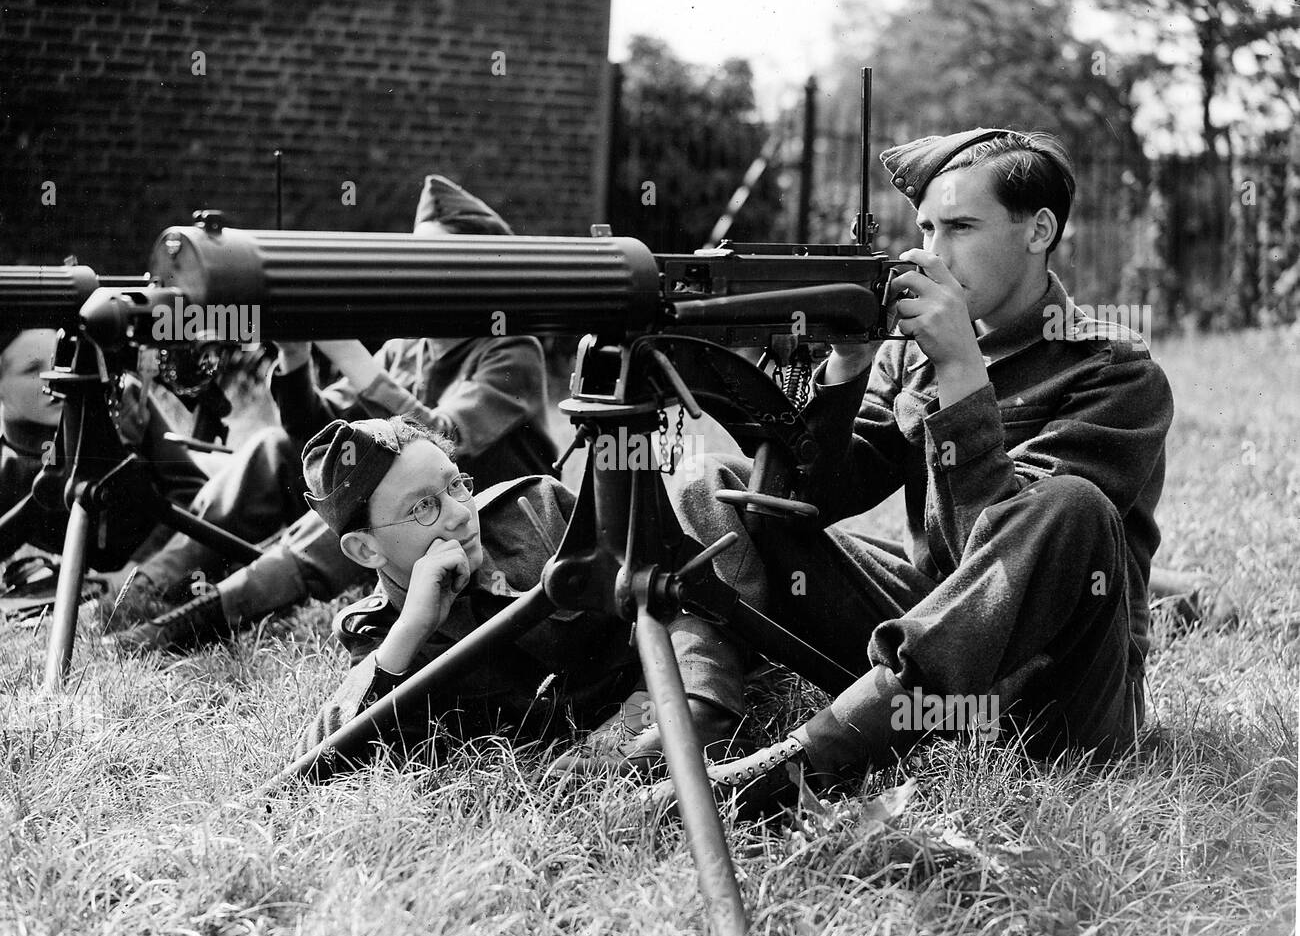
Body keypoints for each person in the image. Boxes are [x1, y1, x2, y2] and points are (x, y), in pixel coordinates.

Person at [671, 128, 1181, 794]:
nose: (932, 254)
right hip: (930, 651)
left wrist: (962, 372)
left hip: (1058, 697)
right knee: (719, 485)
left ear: (1039, 230)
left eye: (962, 227)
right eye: (927, 228)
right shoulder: (910, 352)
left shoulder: (1114, 369)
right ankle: (697, 721)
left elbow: (1007, 562)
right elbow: (817, 496)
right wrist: (844, 370)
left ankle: (807, 763)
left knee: (1070, 505)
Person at [108, 176, 558, 646]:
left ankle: (191, 621)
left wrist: (347, 351)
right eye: (417, 261)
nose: (422, 275)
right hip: (412, 520)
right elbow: (323, 450)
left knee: (368, 499)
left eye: (441, 262)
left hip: (479, 514)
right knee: (274, 449)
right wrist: (297, 359)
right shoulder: (407, 351)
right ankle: (150, 583)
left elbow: (444, 437)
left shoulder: (511, 350)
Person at [288, 415, 748, 768]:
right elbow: (316, 762)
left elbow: (664, 590)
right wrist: (411, 629)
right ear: (366, 550)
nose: (461, 515)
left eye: (455, 486)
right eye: (424, 506)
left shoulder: (533, 509)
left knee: (704, 486)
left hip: (656, 689)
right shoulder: (383, 634)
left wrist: (636, 718)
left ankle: (691, 715)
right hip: (603, 744)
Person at [0, 326, 207, 586]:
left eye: (62, 360)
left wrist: (138, 567)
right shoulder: (6, 465)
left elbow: (192, 492)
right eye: (32, 369)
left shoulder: (122, 399)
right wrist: (37, 500)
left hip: (210, 485)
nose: (52, 377)